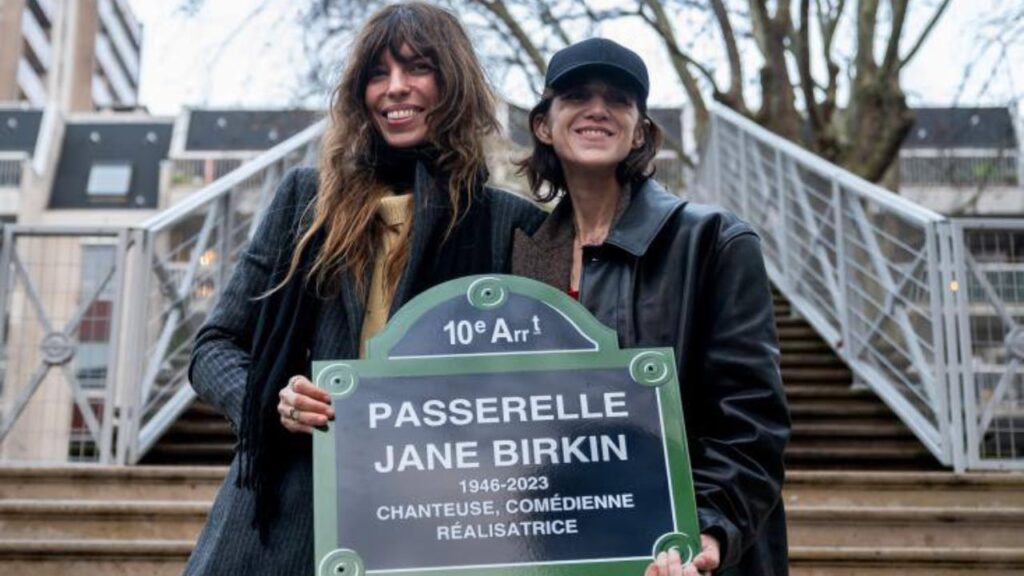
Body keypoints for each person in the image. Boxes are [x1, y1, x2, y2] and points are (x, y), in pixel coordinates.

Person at [185, 3, 544, 573]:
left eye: (417, 69)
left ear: (454, 84)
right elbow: (214, 346)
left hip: (436, 520)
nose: (395, 89)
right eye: (378, 74)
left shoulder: (509, 223)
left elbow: (543, 382)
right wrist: (273, 397)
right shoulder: (306, 200)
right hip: (288, 515)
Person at [512, 38, 791, 576]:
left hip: (676, 553)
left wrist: (709, 527)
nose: (597, 109)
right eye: (576, 95)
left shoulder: (714, 241)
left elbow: (751, 414)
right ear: (545, 124)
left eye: (617, 98)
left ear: (639, 130)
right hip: (561, 548)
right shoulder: (519, 254)